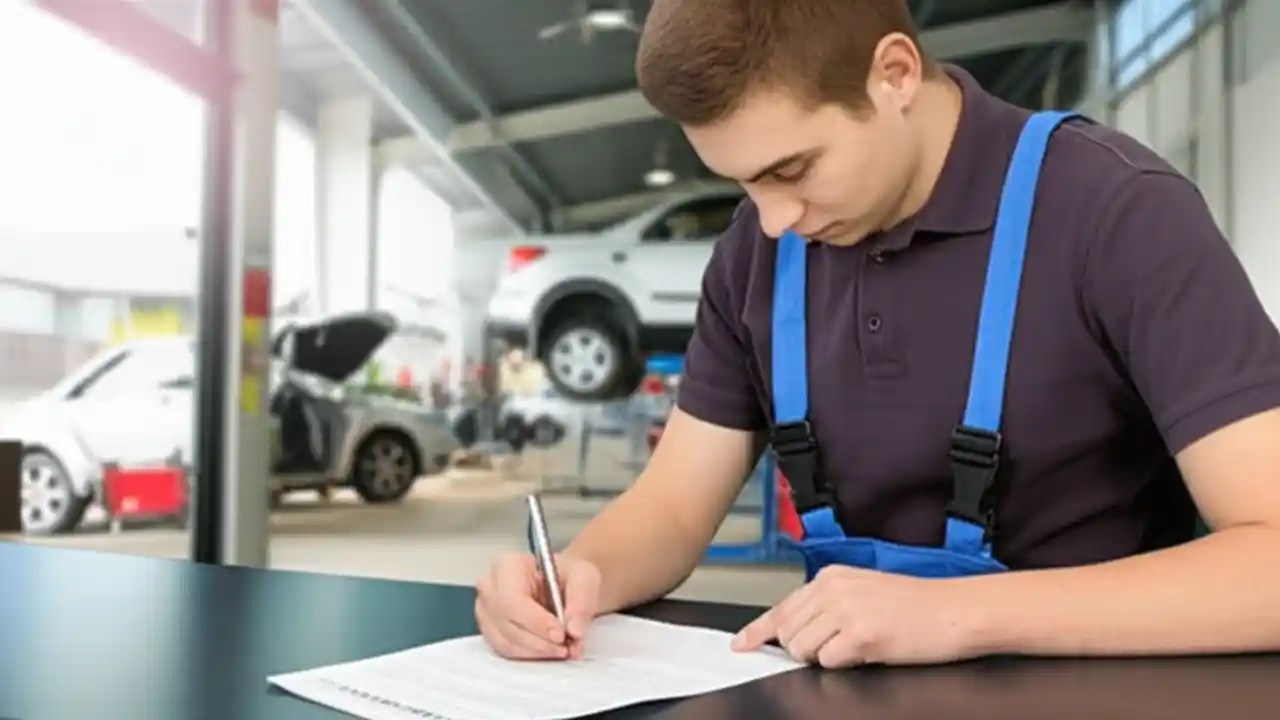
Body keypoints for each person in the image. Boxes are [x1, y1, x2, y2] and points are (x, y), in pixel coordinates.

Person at [475, 0, 1280, 668]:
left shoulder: (1118, 212)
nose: (774, 218)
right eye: (742, 183)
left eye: (791, 169)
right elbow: (676, 507)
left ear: (893, 74)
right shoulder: (757, 252)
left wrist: (962, 615)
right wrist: (580, 574)